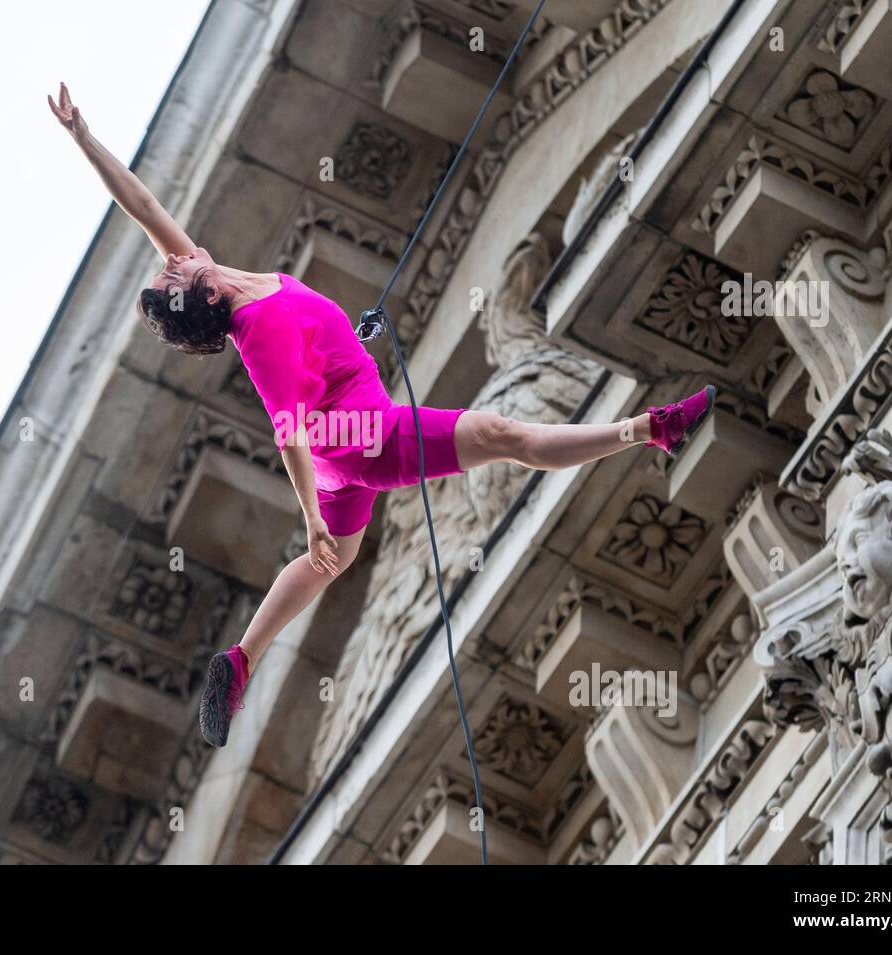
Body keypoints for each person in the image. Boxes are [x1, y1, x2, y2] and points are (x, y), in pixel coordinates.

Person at [48, 82, 715, 747]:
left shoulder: (226, 282)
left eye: (169, 265)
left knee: (335, 558)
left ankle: (244, 657)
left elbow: (140, 204)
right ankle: (650, 428)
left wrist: (83, 140)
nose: (173, 257)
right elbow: (289, 434)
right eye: (173, 272)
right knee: (501, 434)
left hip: (347, 443)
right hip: (355, 436)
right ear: (203, 288)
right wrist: (309, 514)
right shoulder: (259, 330)